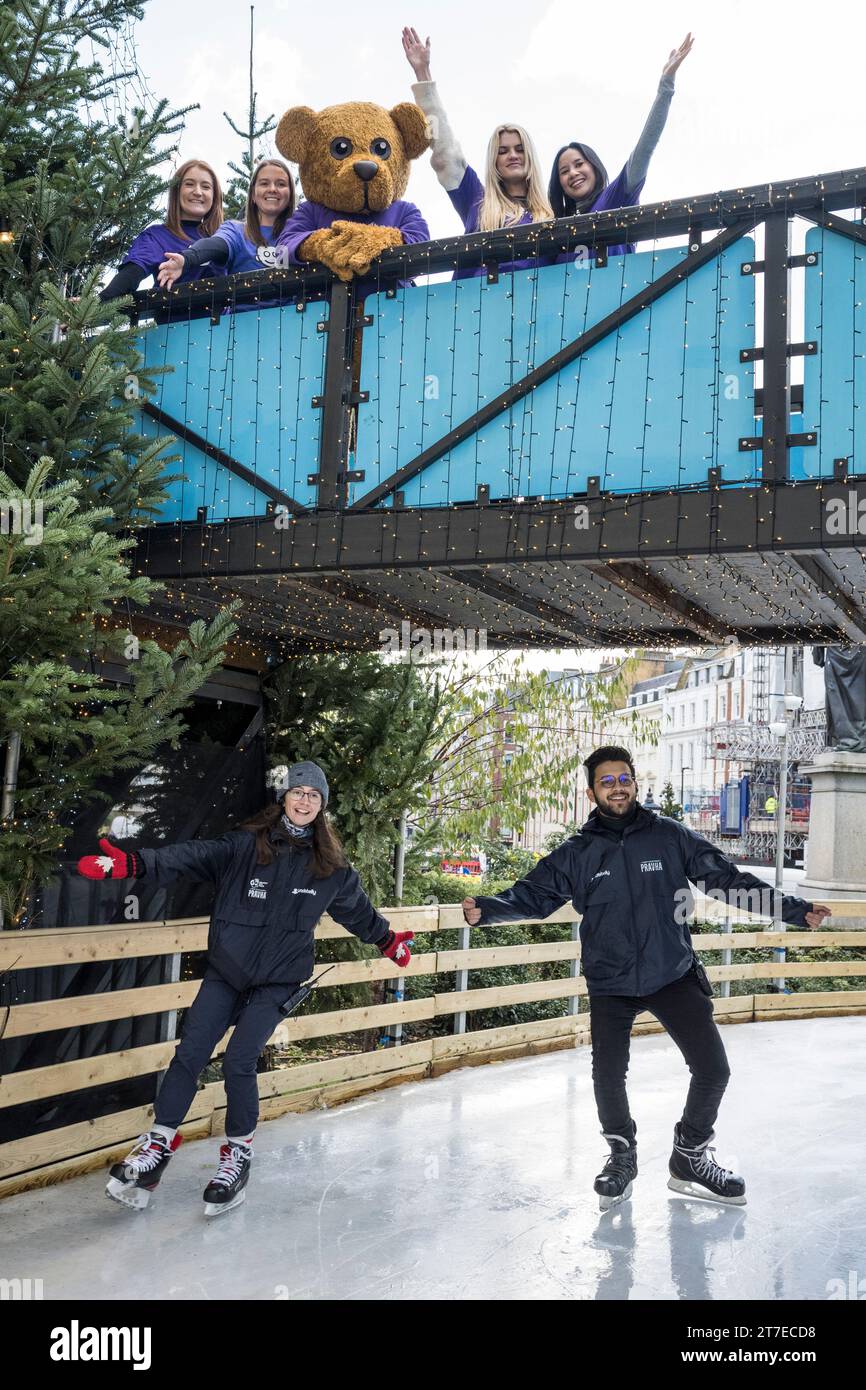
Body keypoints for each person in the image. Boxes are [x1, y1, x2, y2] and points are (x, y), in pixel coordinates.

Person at [462, 744, 831, 1211]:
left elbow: (728, 880)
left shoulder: (670, 837)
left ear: (635, 782)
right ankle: (621, 1155)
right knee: (609, 1074)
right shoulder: (578, 852)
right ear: (592, 791)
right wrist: (486, 911)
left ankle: (689, 1156)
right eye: (606, 781)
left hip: (671, 972)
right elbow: (534, 895)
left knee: (713, 1069)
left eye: (623, 778)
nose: (617, 787)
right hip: (610, 978)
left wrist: (795, 910)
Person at [77, 762, 413, 1217]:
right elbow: (188, 856)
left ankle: (237, 1156)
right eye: (299, 792)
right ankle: (156, 1148)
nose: (305, 801)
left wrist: (388, 941)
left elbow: (358, 912)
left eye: (314, 796)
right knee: (191, 1052)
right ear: (285, 797)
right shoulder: (242, 847)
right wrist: (131, 862)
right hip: (227, 971)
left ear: (322, 806)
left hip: (278, 980)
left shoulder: (330, 868)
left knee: (239, 1060)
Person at [401, 25, 553, 277]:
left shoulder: (549, 213)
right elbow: (445, 152)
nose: (512, 155)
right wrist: (423, 74)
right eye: (503, 151)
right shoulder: (477, 200)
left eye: (519, 149)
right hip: (477, 309)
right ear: (494, 161)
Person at [549, 34, 694, 259]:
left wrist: (666, 84)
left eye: (579, 164)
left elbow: (645, 148)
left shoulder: (616, 198)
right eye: (564, 171)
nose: (573, 173)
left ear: (594, 166)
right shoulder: (557, 231)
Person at [156, 158, 296, 290]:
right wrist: (187, 259)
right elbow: (216, 245)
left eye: (281, 184)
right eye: (264, 183)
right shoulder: (236, 231)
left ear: (290, 194)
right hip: (245, 315)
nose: (272, 189)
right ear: (253, 194)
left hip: (300, 314)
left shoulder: (299, 233)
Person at [100, 159, 225, 301]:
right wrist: (94, 305)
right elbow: (132, 273)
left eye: (206, 187)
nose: (197, 192)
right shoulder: (157, 236)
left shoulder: (224, 238)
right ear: (176, 191)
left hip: (233, 322)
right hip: (174, 322)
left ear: (215, 196)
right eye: (189, 184)